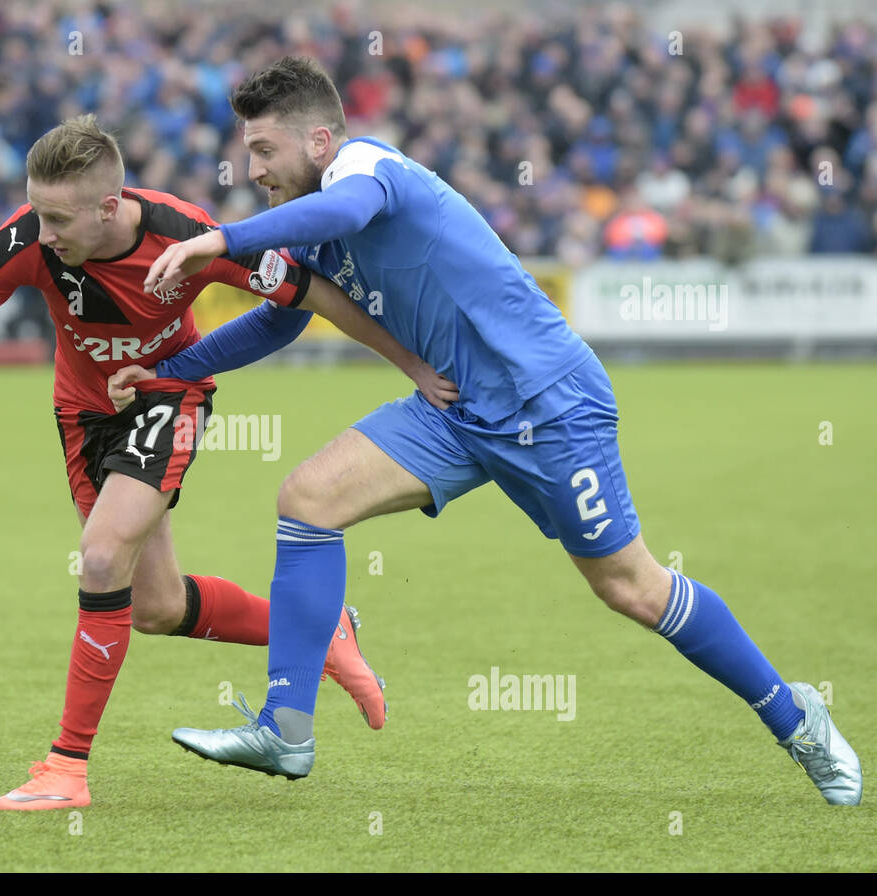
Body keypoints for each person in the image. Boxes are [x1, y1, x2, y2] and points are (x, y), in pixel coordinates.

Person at [121, 56, 860, 804]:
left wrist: (223, 239)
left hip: (548, 402)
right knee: (308, 499)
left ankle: (795, 715)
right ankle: (286, 729)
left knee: (631, 587)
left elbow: (346, 212)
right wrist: (172, 371)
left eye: (264, 151)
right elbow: (280, 319)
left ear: (318, 141)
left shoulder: (364, 166)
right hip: (453, 408)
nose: (253, 170)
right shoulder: (308, 230)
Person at [0, 114, 459, 811]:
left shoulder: (184, 235)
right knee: (156, 606)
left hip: (167, 397)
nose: (42, 232)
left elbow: (312, 293)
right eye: (37, 212)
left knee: (102, 558)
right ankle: (324, 632)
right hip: (82, 417)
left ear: (108, 207)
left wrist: (411, 364)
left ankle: (66, 767)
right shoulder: (26, 239)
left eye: (57, 218)